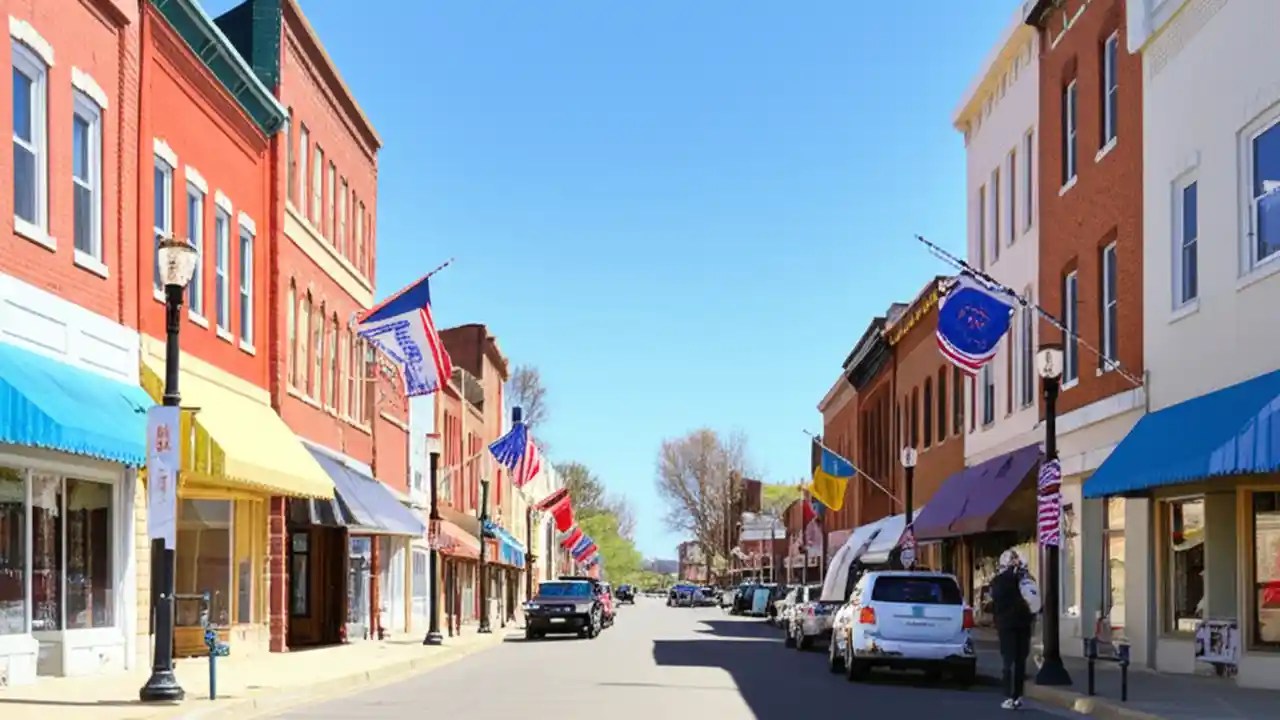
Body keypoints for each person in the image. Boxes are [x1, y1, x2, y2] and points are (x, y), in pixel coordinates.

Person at [990, 549, 1037, 710]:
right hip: (1023, 624)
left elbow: (996, 600)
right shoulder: (1027, 579)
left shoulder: (1000, 581)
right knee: (1020, 661)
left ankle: (1010, 696)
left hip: (1007, 626)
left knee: (1009, 661)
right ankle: (1018, 696)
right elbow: (1034, 602)